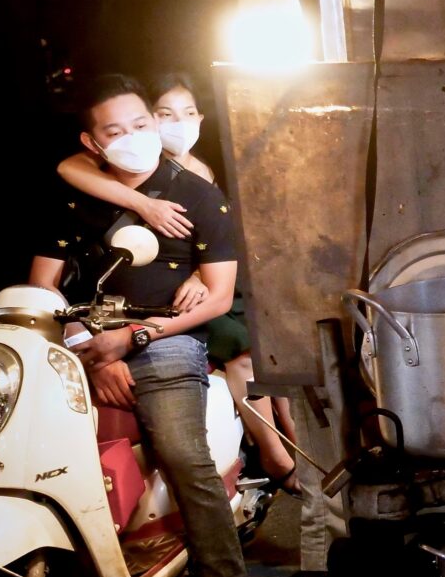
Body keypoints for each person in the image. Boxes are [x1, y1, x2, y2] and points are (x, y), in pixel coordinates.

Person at [32, 74, 257, 577]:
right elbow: (42, 287)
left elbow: (220, 295)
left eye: (141, 124)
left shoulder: (200, 196)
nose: (133, 136)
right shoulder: (74, 194)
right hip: (84, 342)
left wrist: (135, 338)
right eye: (116, 130)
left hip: (164, 339)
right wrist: (90, 350)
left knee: (184, 455)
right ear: (93, 143)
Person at [55, 73, 300, 489]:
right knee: (242, 351)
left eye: (187, 113)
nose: (176, 124)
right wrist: (143, 204)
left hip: (215, 280)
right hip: (166, 304)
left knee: (280, 347)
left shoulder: (199, 174)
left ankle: (302, 448)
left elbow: (215, 243)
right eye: (165, 114)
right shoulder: (116, 169)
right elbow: (68, 167)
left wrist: (200, 276)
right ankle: (275, 454)